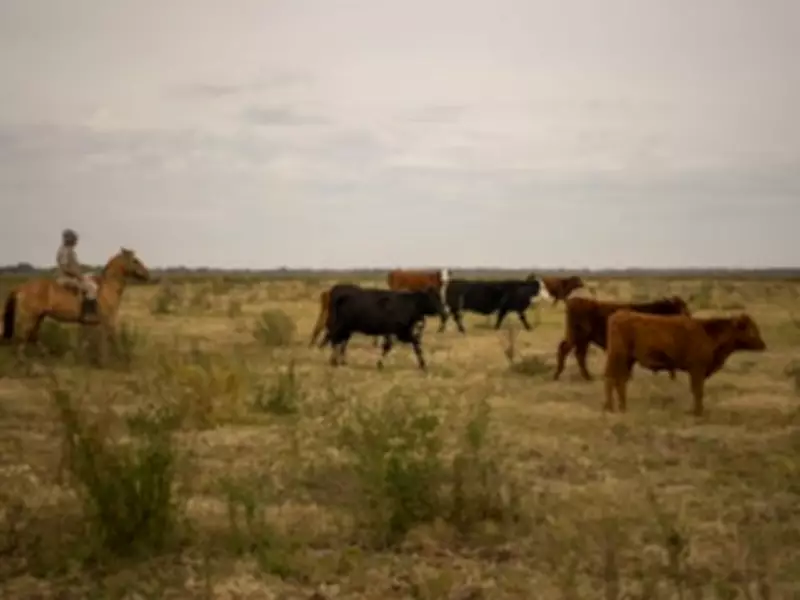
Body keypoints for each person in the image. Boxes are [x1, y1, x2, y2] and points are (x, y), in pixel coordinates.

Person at [56, 228, 99, 322]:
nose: (76, 242)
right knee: (92, 288)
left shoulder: (68, 250)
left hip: (72, 276)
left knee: (91, 278)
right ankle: (88, 314)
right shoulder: (65, 251)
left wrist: (83, 274)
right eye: (74, 239)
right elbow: (65, 268)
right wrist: (78, 276)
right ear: (69, 240)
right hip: (66, 278)